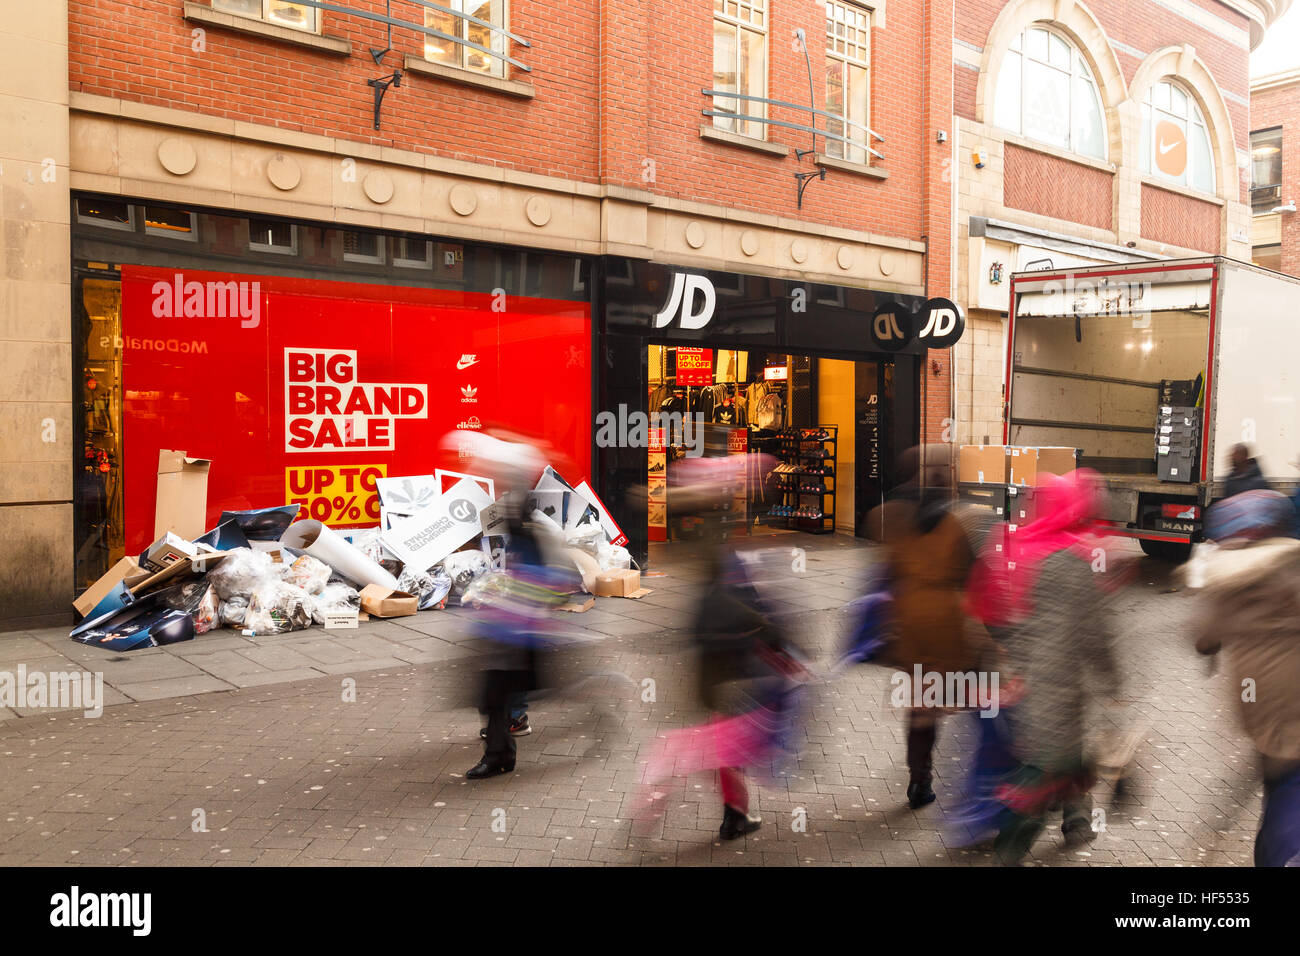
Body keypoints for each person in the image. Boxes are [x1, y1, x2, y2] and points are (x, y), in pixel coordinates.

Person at [966, 469, 1120, 861]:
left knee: (1044, 756)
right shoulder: (1076, 556)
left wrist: (1006, 658)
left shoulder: (1014, 543)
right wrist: (1112, 681)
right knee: (1050, 765)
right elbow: (1095, 633)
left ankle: (1058, 820)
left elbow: (990, 604)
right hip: (1057, 682)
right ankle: (1030, 838)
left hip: (1018, 673)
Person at [866, 445, 994, 809]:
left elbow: (885, 574)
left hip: (911, 621)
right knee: (979, 699)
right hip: (948, 623)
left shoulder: (889, 517)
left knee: (922, 706)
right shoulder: (961, 518)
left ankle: (919, 781)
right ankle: (982, 778)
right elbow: (973, 574)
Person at [1182, 489, 1300, 866]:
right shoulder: (1293, 569)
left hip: (1261, 718)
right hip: (1283, 721)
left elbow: (1203, 641)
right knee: (1285, 804)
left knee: (1281, 807)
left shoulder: (1226, 584)